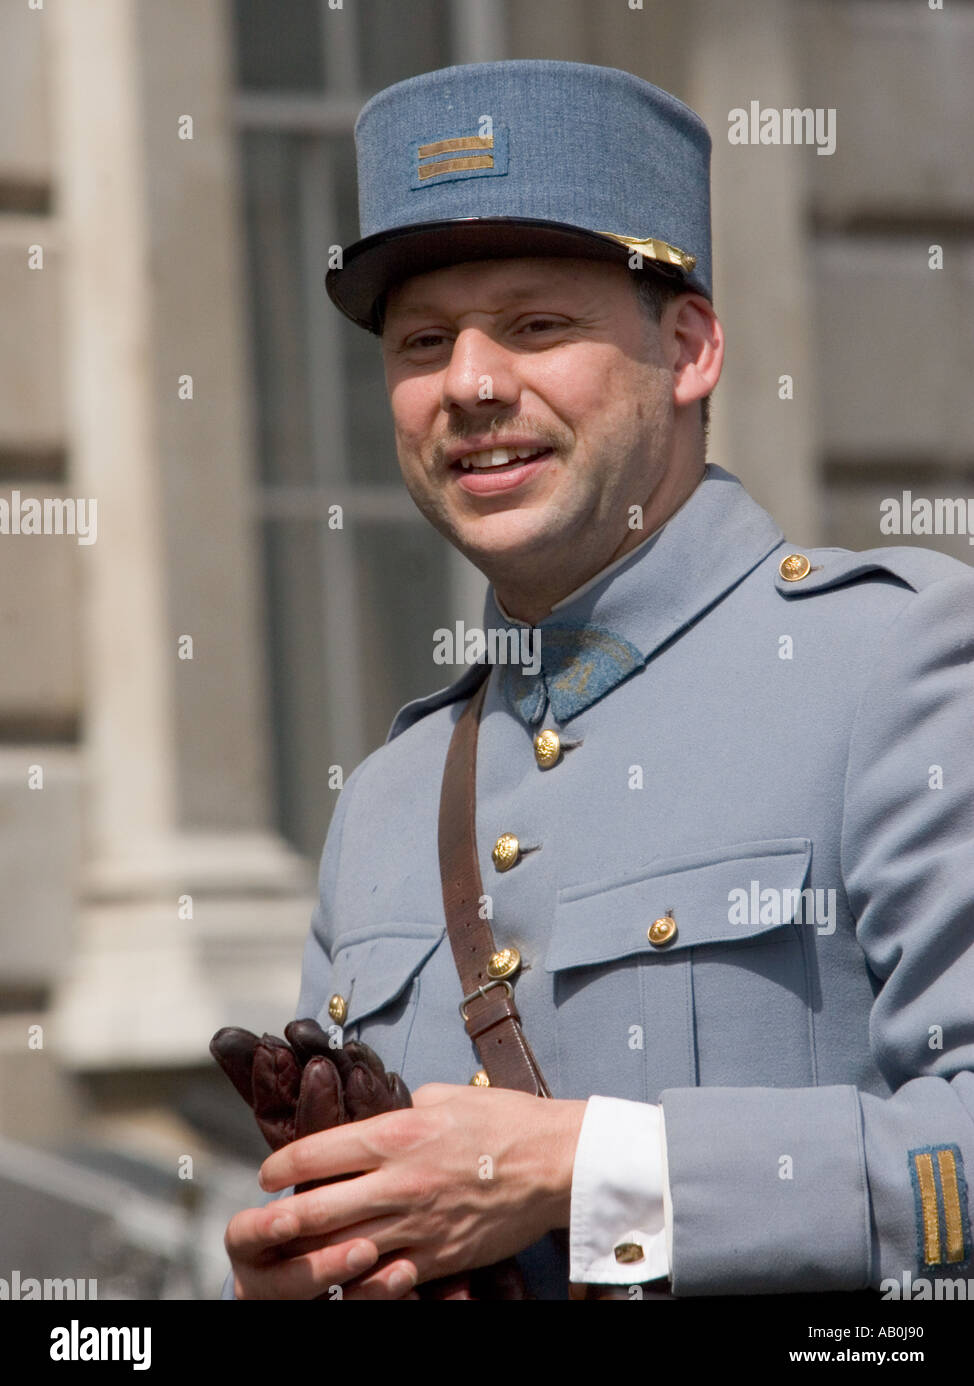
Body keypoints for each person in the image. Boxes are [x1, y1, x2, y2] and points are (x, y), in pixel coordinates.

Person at [223, 60, 974, 1301]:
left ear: (687, 349)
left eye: (535, 325)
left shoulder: (898, 665)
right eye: (422, 340)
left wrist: (589, 1168)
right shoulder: (389, 801)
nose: (468, 383)